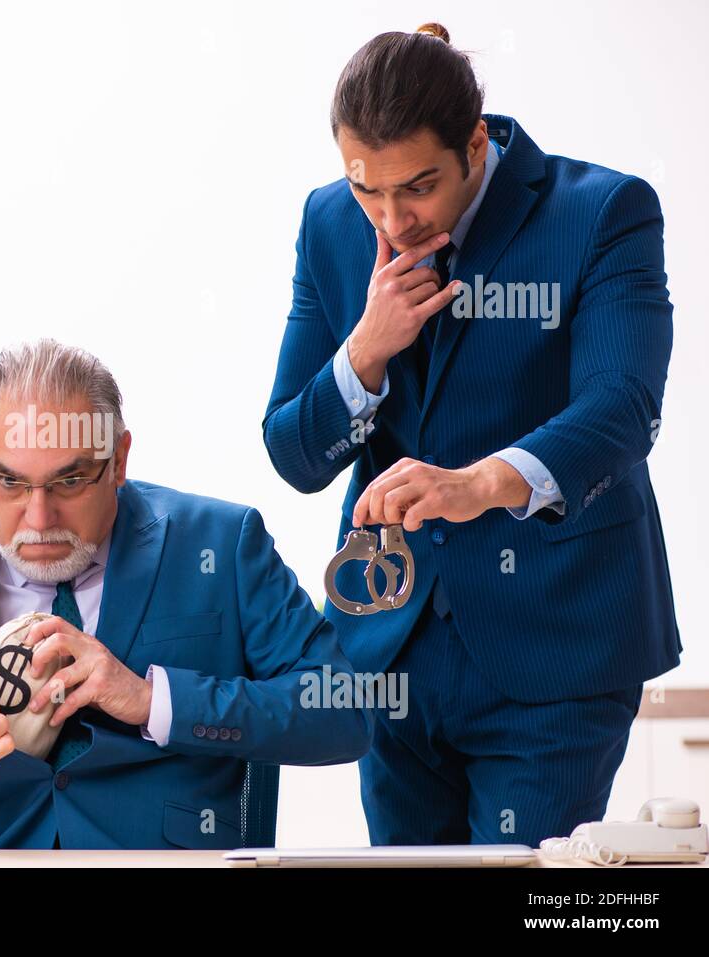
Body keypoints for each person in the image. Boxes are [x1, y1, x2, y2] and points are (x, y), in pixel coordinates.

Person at [262, 23, 679, 846]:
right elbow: (295, 452)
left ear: (475, 144)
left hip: (556, 647)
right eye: (366, 191)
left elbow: (625, 405)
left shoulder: (603, 212)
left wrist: (479, 482)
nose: (391, 218)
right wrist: (363, 354)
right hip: (389, 651)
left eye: (416, 187)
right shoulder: (329, 224)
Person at [0, 339, 370, 848]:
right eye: (9, 481)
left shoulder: (222, 545)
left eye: (70, 479)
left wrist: (149, 698)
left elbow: (342, 711)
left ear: (119, 458)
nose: (38, 518)